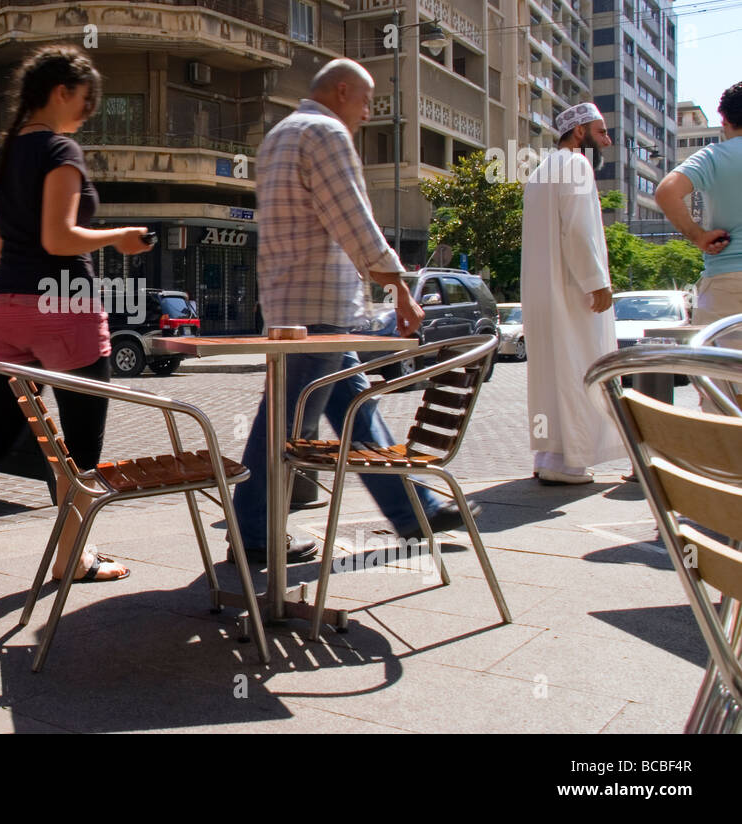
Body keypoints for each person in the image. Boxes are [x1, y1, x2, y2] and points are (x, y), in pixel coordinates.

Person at [0, 45, 154, 594]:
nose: (87, 115)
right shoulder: (60, 150)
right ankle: (71, 557)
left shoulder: (1, 159)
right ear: (61, 91)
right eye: (86, 103)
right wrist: (119, 236)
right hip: (64, 304)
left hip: (10, 304)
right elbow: (58, 238)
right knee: (83, 441)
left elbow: (0, 242)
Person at [232, 58, 466, 566]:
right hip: (318, 311)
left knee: (356, 415)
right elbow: (352, 217)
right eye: (365, 100)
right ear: (341, 91)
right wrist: (399, 285)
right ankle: (251, 533)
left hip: (295, 304)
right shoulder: (324, 131)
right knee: (284, 427)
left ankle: (413, 511)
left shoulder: (277, 137)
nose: (366, 112)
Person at [521, 101, 624, 484]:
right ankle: (572, 461)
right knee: (580, 369)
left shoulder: (540, 171)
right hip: (570, 292)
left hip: (543, 295)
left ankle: (550, 457)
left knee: (550, 373)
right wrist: (596, 280)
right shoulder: (577, 165)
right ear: (579, 132)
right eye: (601, 131)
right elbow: (578, 230)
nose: (607, 140)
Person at [655, 81, 741, 349]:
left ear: (724, 120)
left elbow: (666, 192)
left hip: (725, 282)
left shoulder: (713, 156)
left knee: (720, 382)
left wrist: (698, 236)